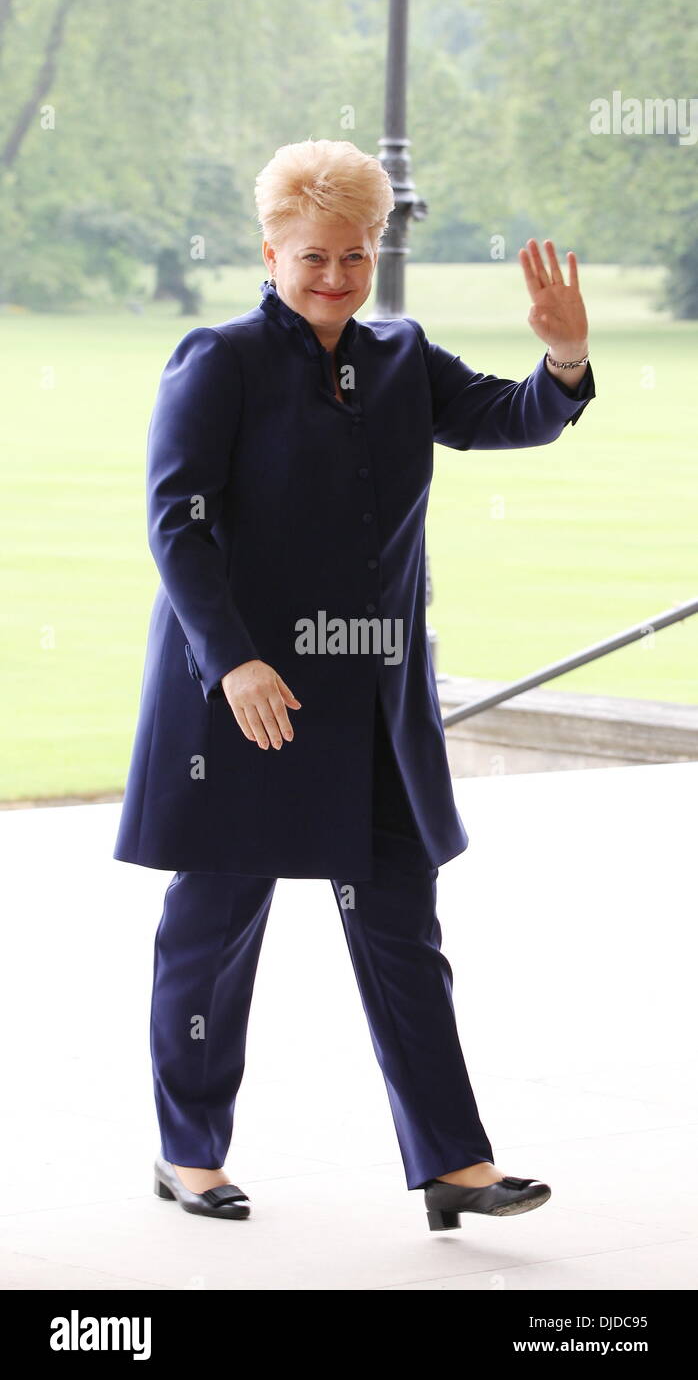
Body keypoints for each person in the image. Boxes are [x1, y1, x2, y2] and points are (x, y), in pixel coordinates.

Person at [113, 138, 595, 1227]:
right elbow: (176, 525)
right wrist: (231, 659)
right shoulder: (217, 359)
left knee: (399, 927)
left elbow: (503, 417)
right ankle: (188, 1152)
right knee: (212, 929)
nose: (334, 278)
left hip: (369, 703)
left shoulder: (399, 356)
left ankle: (451, 1164)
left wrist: (562, 364)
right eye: (312, 257)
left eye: (354, 256)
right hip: (244, 698)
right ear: (269, 251)